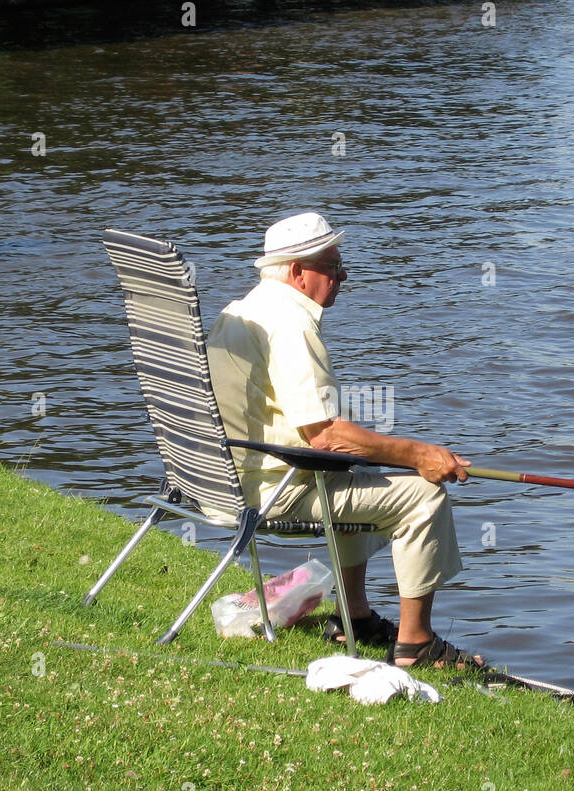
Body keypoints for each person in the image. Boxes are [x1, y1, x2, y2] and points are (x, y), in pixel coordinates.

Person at [206, 213, 486, 672]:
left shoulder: (240, 310)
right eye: (334, 266)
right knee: (424, 497)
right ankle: (416, 645)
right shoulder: (290, 325)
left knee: (357, 469)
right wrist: (421, 455)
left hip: (222, 480)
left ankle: (353, 617)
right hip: (271, 492)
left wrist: (375, 453)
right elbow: (326, 434)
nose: (343, 277)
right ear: (298, 271)